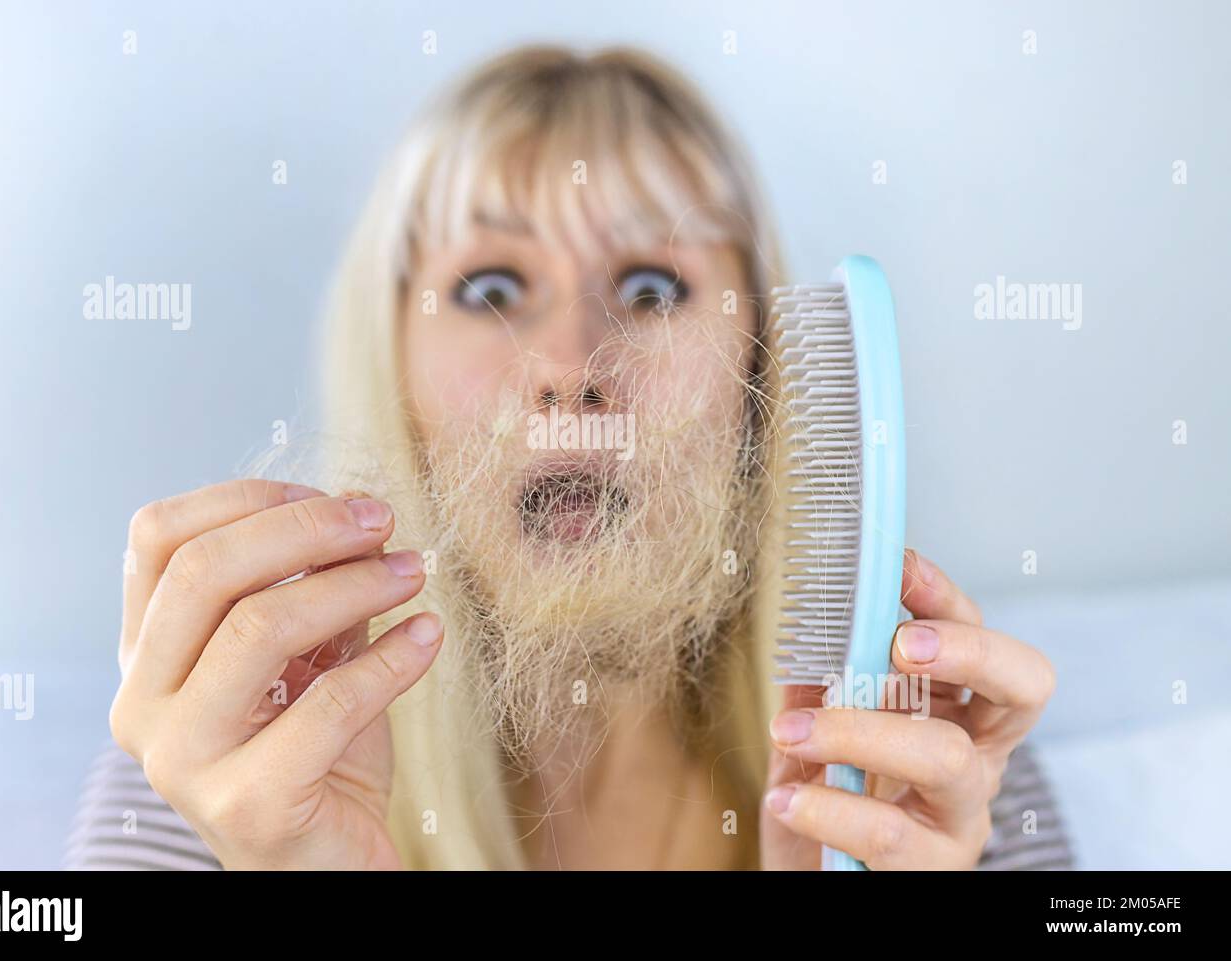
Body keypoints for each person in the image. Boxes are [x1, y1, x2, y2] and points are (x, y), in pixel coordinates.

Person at [67, 45, 1072, 870]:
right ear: (392, 370)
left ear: (764, 365)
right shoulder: (238, 752)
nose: (567, 368)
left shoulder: (917, 744)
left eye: (649, 288)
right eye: (491, 289)